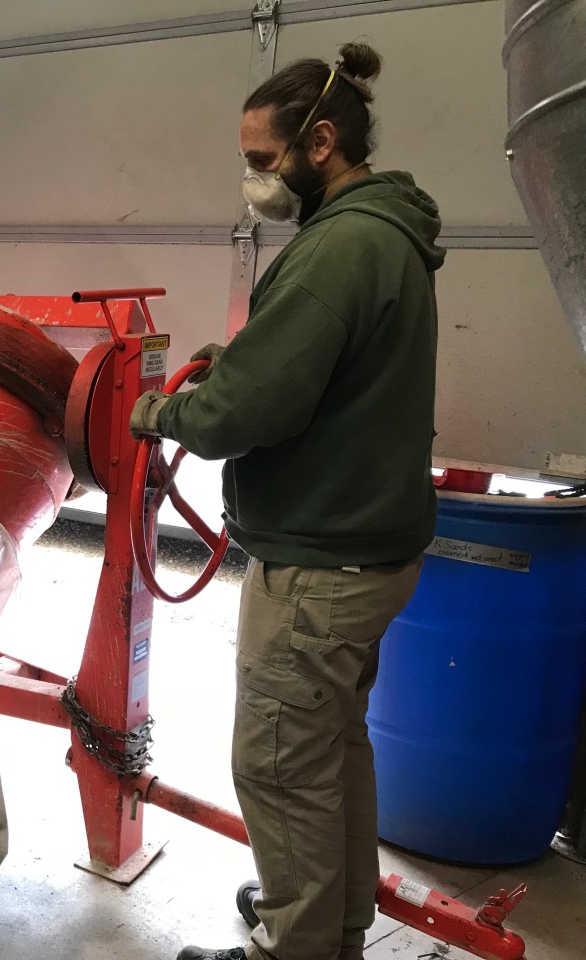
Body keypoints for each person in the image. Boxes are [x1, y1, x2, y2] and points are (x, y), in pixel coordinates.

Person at [129, 41, 445, 960]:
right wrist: (256, 355)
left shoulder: (338, 248)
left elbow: (241, 415)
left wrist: (161, 410)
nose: (253, 180)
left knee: (276, 767)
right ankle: (333, 929)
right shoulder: (388, 233)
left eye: (263, 161)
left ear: (322, 142)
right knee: (333, 756)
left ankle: (295, 947)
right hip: (372, 550)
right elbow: (321, 369)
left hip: (319, 562)